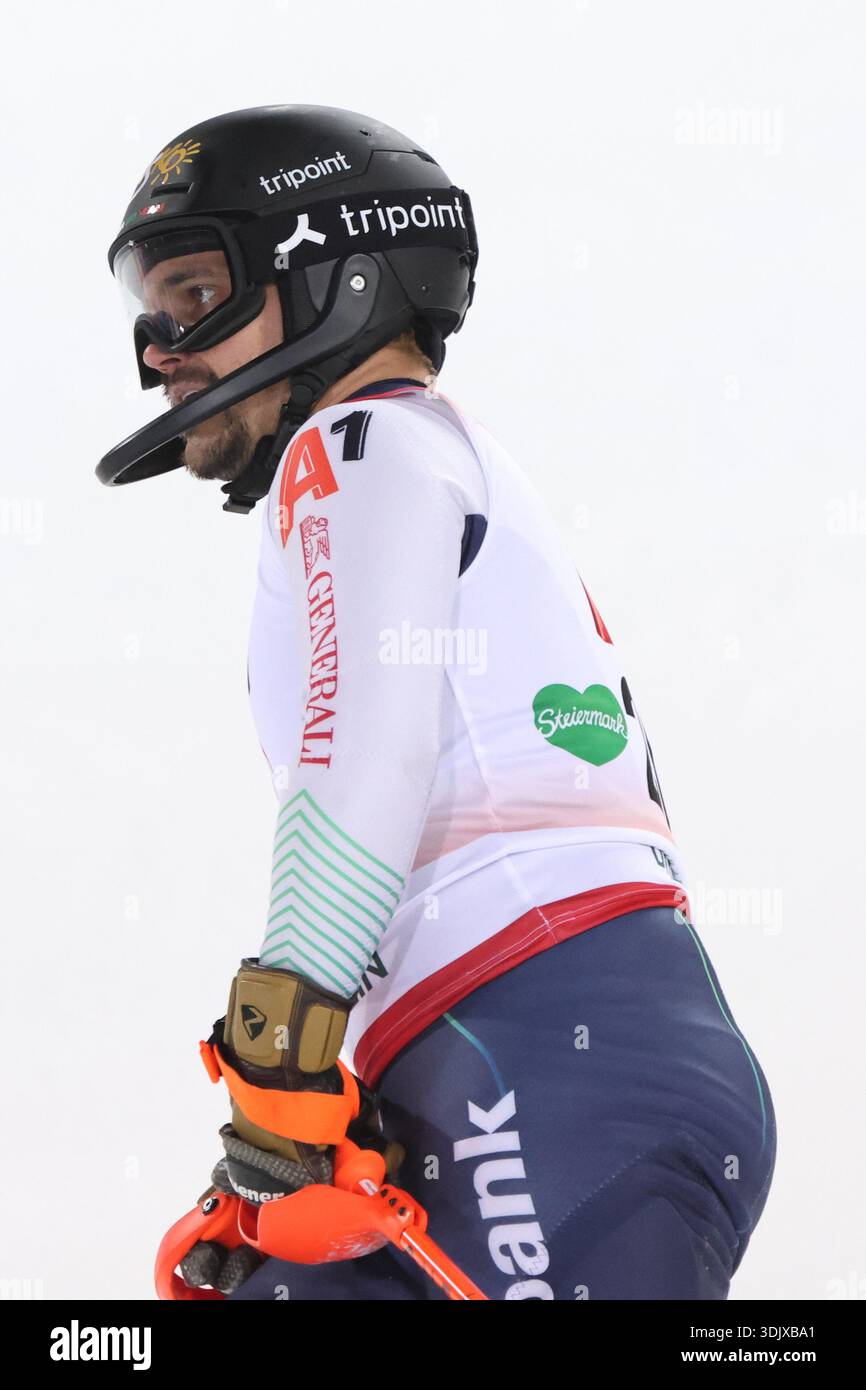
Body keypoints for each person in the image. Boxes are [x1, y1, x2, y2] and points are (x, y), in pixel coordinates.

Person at [100, 105, 776, 1300]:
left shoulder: (358, 446)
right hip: (547, 1046)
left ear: (331, 282)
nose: (160, 348)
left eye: (194, 291)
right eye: (149, 309)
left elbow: (362, 745)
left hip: (527, 1043)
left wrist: (284, 1048)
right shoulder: (434, 458)